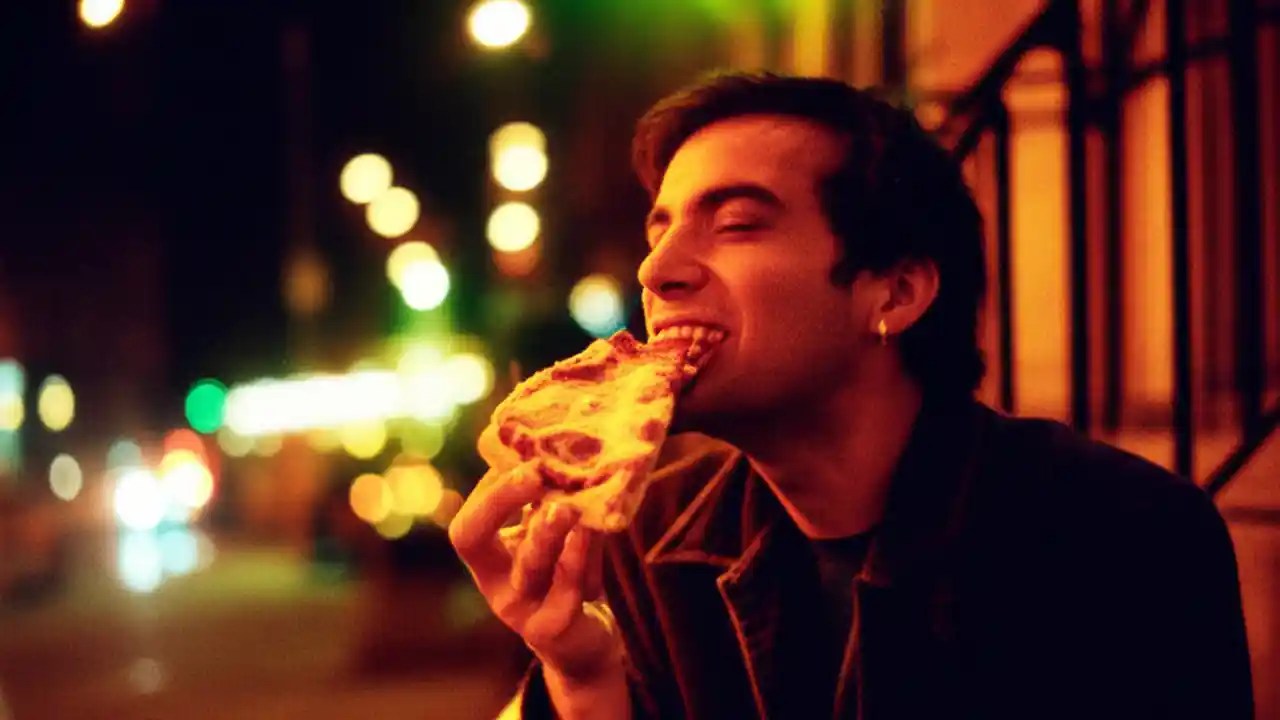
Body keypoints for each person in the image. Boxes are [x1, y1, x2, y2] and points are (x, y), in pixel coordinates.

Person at [450, 72, 1254, 719]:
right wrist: (584, 679)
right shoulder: (643, 549)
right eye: (660, 230)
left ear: (895, 295)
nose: (656, 272)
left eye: (734, 223)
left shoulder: (1118, 537)